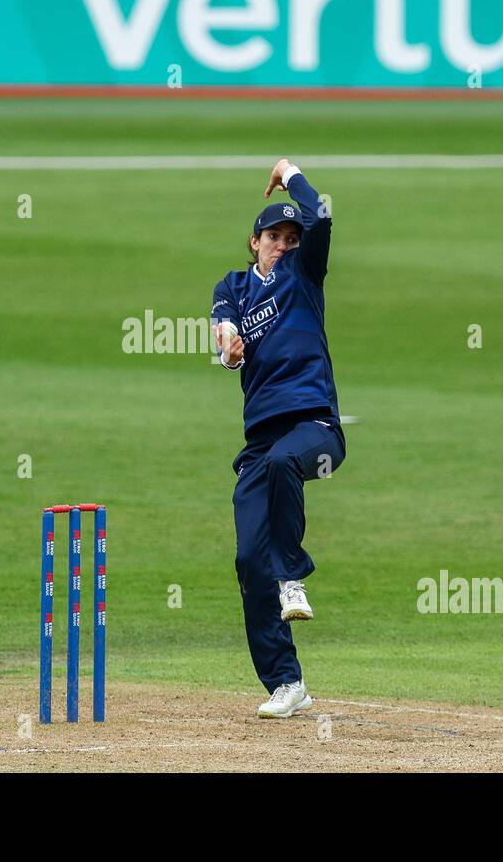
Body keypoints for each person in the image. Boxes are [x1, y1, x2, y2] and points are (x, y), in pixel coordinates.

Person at [211, 158, 347, 719]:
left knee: (287, 466)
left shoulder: (303, 277)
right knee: (247, 560)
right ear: (255, 241)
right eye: (275, 237)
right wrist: (228, 348)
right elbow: (221, 331)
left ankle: (293, 575)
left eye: (292, 238)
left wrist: (289, 172)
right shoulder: (234, 286)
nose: (286, 244)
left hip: (316, 430)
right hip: (259, 446)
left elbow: (321, 216)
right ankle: (286, 682)